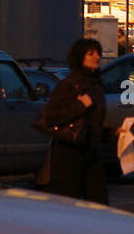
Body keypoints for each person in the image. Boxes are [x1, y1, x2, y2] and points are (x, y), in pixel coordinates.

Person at [39, 38, 109, 204]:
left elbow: (92, 124)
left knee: (99, 203)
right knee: (70, 204)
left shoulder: (96, 86)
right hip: (69, 153)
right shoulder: (68, 85)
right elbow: (51, 117)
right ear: (80, 57)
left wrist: (113, 134)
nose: (97, 57)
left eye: (98, 53)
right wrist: (80, 105)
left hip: (91, 153)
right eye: (91, 53)